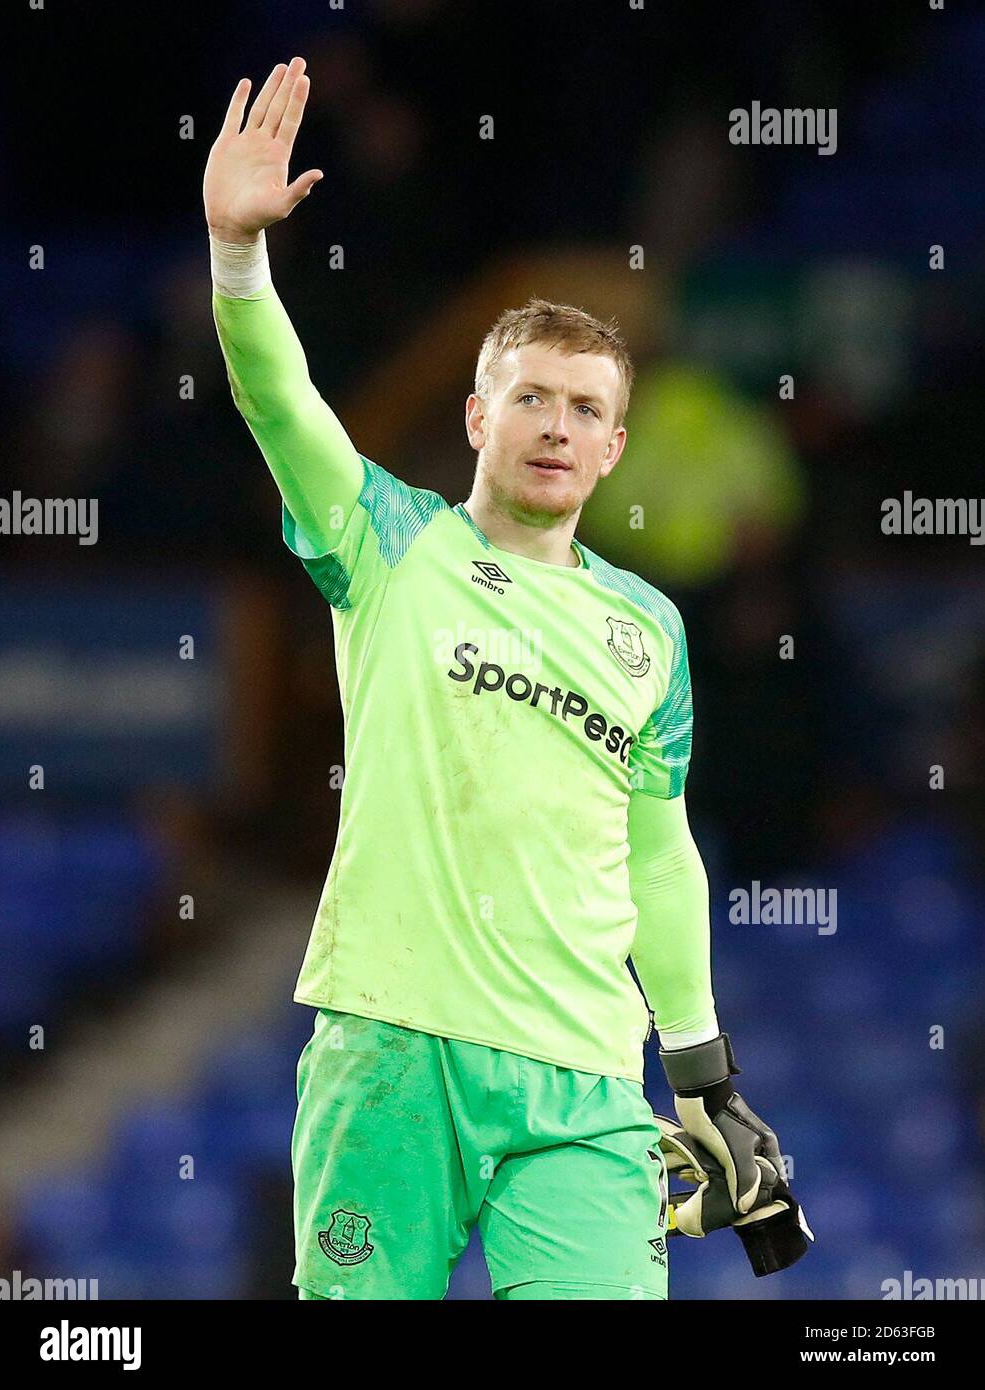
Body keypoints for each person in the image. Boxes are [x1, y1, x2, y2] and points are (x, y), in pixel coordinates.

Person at [204, 57, 793, 1301]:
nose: (556, 425)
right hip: (388, 1049)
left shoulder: (651, 631)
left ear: (613, 446)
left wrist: (702, 1078)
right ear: (478, 418)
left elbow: (656, 856)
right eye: (530, 396)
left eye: (585, 408)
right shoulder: (385, 537)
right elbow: (277, 399)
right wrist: (237, 255)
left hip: (583, 1079)